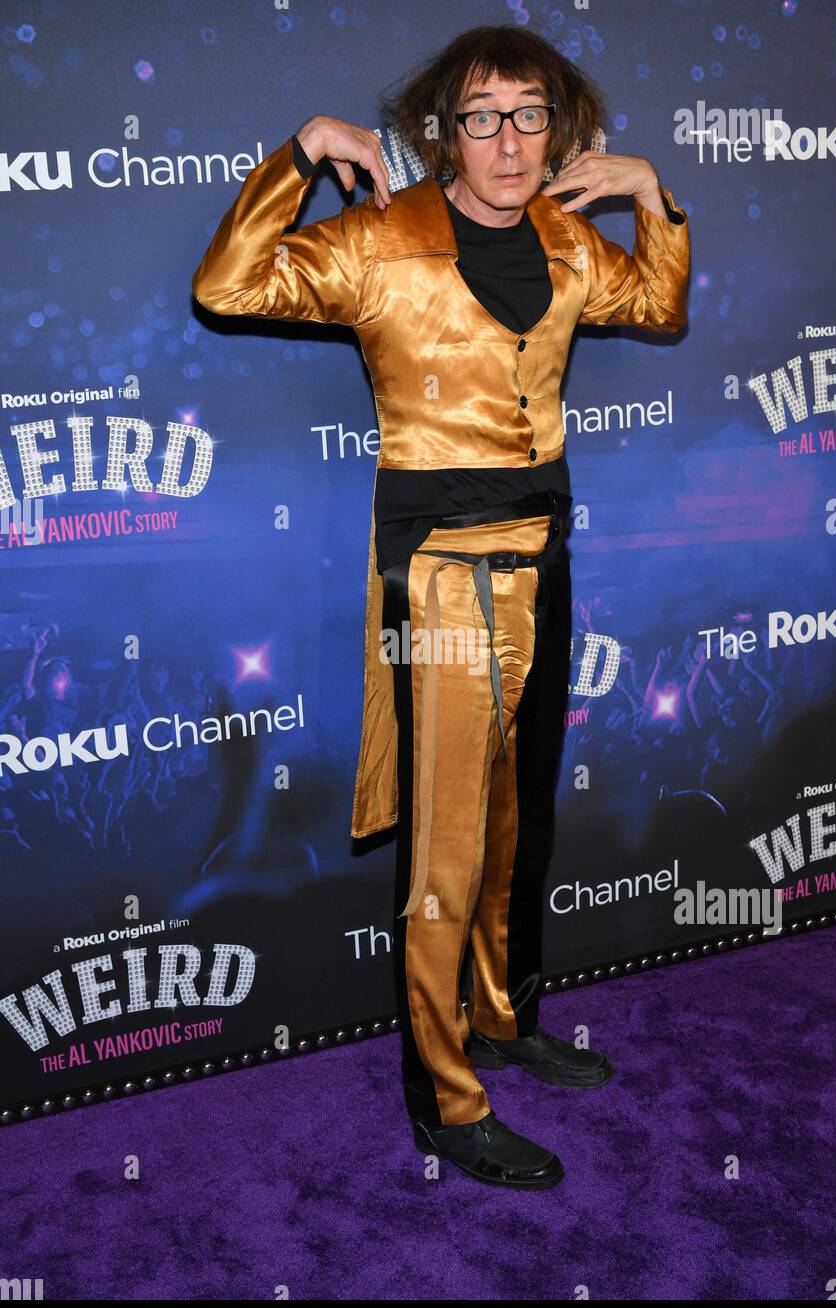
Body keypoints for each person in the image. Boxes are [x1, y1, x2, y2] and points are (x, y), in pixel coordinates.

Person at [192, 24, 690, 1190]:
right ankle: (443, 1098)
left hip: (544, 561)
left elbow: (659, 309)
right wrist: (301, 151)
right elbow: (227, 284)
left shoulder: (571, 244)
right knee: (446, 843)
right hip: (439, 578)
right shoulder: (378, 241)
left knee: (519, 825)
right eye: (481, 116)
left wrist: (648, 193)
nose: (508, 141)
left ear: (556, 130)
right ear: (439, 132)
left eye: (530, 115)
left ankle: (502, 1017)